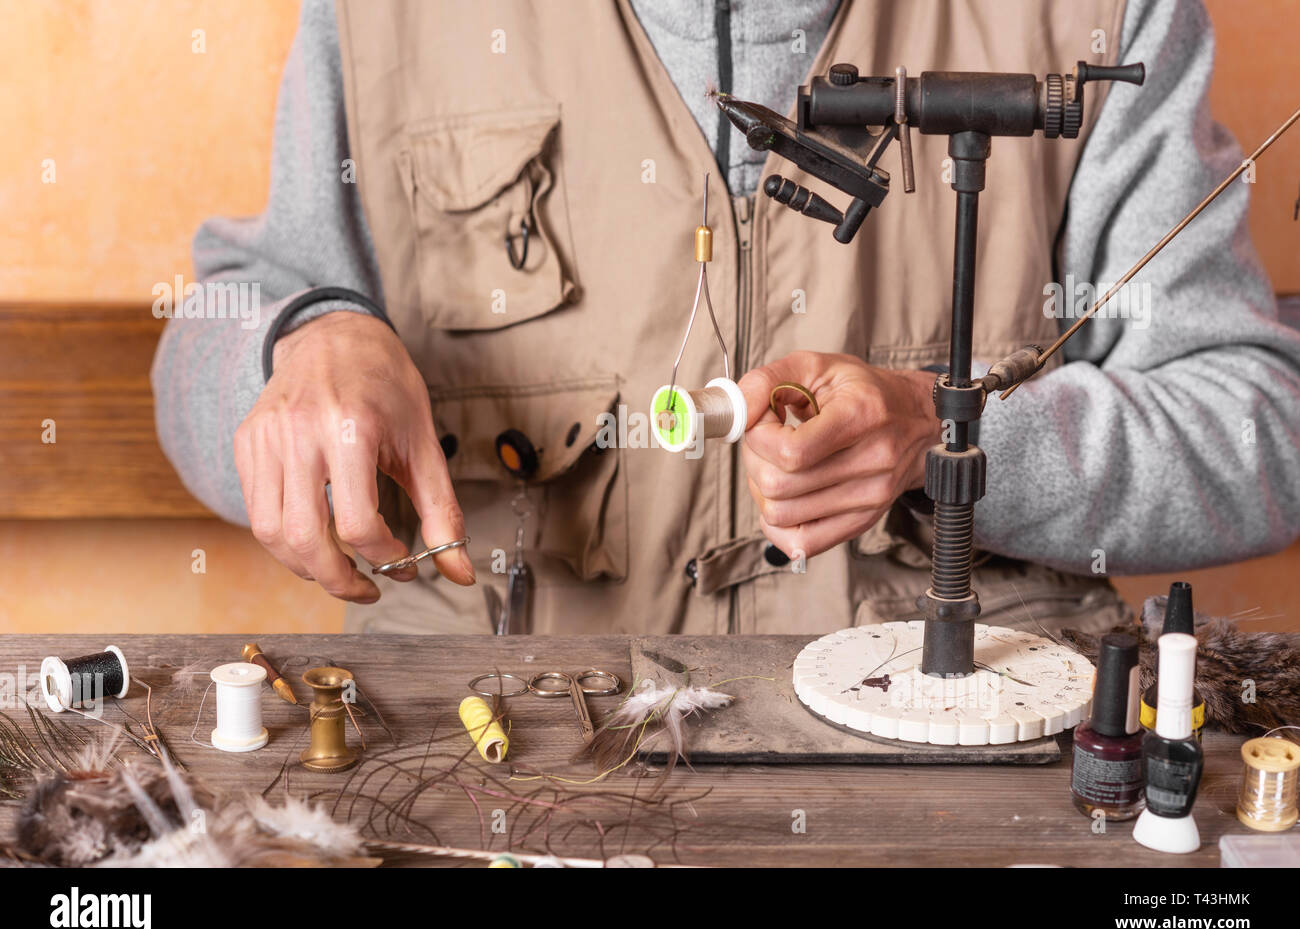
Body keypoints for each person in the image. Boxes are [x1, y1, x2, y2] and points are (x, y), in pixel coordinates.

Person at [152, 0, 1300, 638]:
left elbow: (1262, 429)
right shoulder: (388, 16)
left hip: (951, 796)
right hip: (500, 784)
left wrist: (956, 445)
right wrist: (305, 336)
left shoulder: (1099, 15)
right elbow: (208, 332)